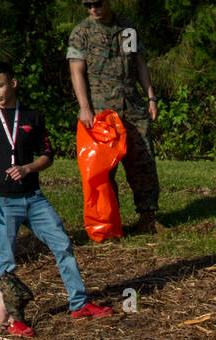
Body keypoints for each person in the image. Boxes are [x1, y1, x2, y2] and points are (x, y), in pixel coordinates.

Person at [0, 61, 114, 337]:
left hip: (34, 199)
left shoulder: (32, 117)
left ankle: (79, 303)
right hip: (3, 202)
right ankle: (12, 319)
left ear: (13, 83)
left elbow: (48, 156)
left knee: (63, 245)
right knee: (6, 261)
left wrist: (28, 168)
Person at [67, 0, 162, 233]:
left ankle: (148, 217)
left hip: (132, 107)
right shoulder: (82, 33)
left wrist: (150, 97)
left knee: (143, 162)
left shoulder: (127, 28)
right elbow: (76, 72)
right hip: (102, 111)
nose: (93, 9)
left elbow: (139, 63)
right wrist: (85, 107)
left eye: (97, 3)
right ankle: (109, 223)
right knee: (104, 170)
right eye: (87, 5)